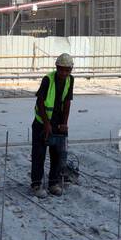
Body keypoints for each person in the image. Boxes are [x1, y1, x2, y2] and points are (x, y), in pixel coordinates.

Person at [31, 53, 75, 198]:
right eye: (62, 69)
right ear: (57, 67)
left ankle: (53, 183)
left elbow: (67, 102)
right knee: (39, 154)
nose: (64, 73)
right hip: (41, 123)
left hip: (57, 123)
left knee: (57, 154)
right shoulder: (48, 80)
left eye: (67, 70)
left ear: (71, 70)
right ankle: (36, 184)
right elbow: (40, 102)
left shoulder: (70, 80)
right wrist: (46, 124)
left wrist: (64, 123)